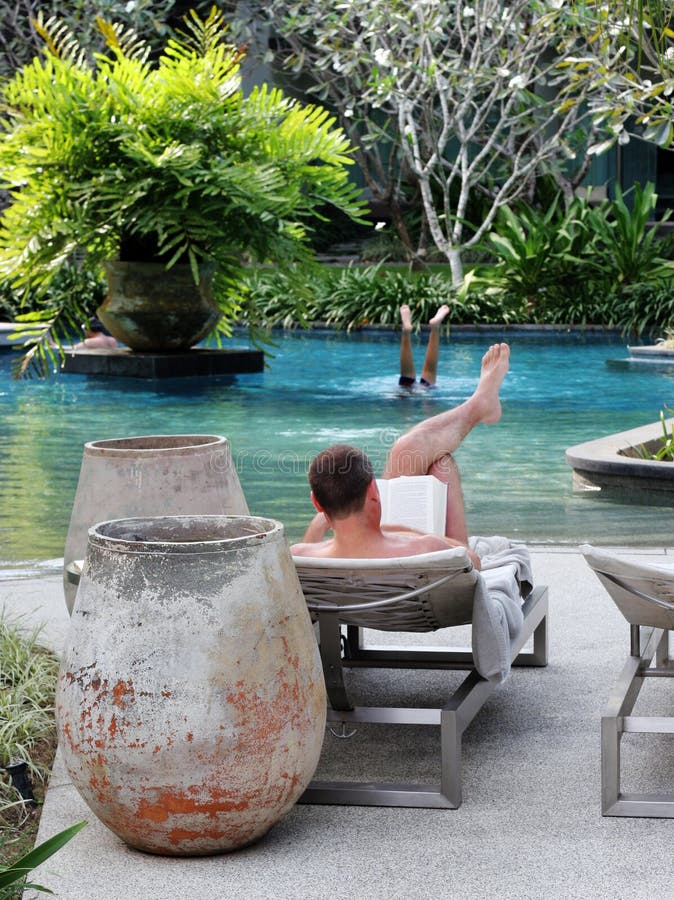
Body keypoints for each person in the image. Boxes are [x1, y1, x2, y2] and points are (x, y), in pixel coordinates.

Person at [291, 342, 511, 569]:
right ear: (374, 491)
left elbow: (302, 561)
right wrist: (401, 530)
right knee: (420, 455)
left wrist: (320, 525)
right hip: (427, 586)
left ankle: (480, 404)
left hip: (363, 586)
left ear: (316, 502)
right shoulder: (423, 548)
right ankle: (480, 404)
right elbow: (471, 562)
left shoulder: (300, 558)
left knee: (437, 464)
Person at [398, 303, 449, 389]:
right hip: (423, 392)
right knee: (420, 373)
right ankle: (434, 326)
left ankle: (406, 330)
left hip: (406, 392)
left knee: (428, 372)